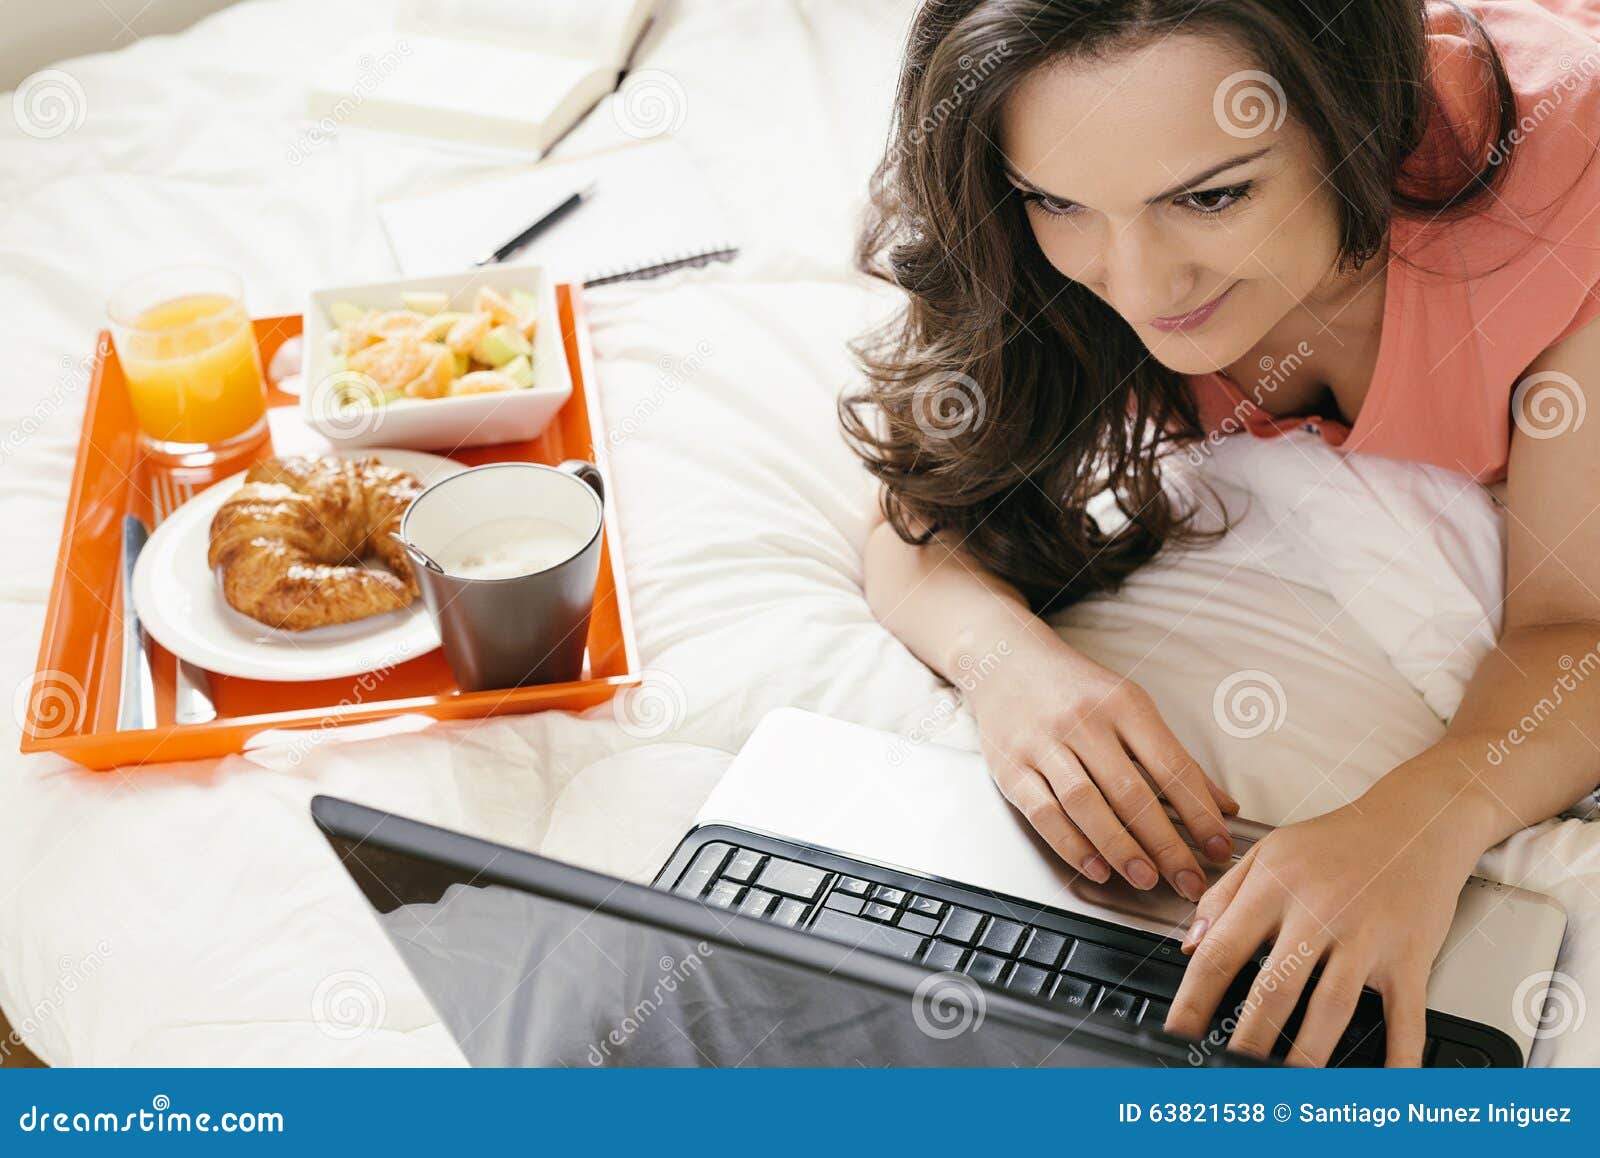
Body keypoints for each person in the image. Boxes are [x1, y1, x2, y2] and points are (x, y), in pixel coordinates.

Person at [843, 0, 1600, 1066]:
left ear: (1357, 123)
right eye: (1058, 201)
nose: (1141, 288)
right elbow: (917, 507)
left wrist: (1419, 822)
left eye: (1212, 196)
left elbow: (1576, 632)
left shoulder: (1568, 201)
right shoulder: (1038, 240)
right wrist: (1012, 671)